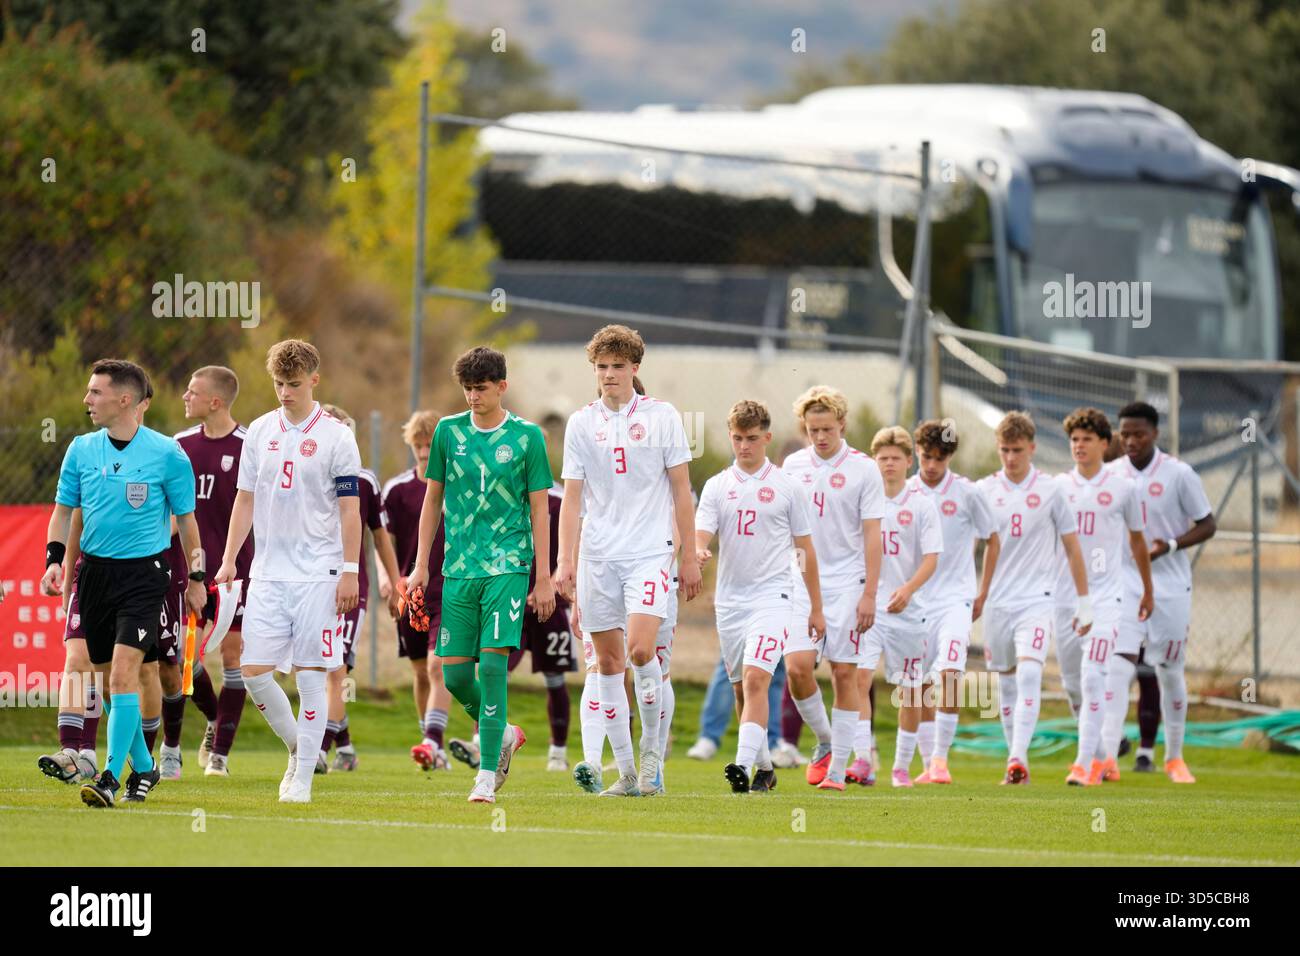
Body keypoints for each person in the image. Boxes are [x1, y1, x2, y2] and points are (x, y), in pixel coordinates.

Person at [42, 359, 205, 807]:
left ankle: (111, 775)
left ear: (125, 399)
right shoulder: (80, 449)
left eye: (95, 392)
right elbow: (63, 512)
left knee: (124, 673)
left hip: (145, 576)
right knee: (106, 681)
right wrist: (56, 562)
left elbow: (189, 522)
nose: (86, 400)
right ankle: (146, 767)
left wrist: (196, 576)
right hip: (94, 574)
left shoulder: (168, 453)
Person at [554, 325, 701, 798]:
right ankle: (627, 773)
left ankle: (653, 755)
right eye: (602, 367)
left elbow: (681, 490)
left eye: (618, 366)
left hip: (650, 554)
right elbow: (571, 500)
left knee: (642, 652)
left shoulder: (662, 417)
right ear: (593, 370)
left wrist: (691, 557)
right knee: (608, 664)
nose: (610, 374)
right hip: (599, 556)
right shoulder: (581, 423)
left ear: (635, 369)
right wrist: (564, 561)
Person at [214, 340, 363, 804]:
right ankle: (302, 749)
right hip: (268, 574)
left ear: (314, 380)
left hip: (320, 572)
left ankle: (300, 780)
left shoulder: (338, 436)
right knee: (253, 672)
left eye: (294, 384)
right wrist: (227, 558)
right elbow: (244, 498)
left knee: (311, 674)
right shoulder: (259, 431)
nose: (285, 392)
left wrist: (350, 571)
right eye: (279, 383)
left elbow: (349, 510)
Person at [406, 346, 556, 804]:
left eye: (482, 388)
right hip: (458, 569)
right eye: (467, 389)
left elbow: (540, 509)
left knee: (492, 667)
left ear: (502, 387)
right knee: (452, 677)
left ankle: (486, 776)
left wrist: (544, 576)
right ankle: (503, 730)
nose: (473, 397)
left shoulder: (528, 437)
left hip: (509, 565)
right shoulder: (449, 433)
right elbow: (433, 499)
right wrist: (420, 564)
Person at [695, 399, 823, 793]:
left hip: (774, 596)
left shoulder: (787, 487)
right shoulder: (718, 485)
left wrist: (816, 608)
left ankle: (741, 764)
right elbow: (702, 532)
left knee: (755, 680)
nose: (744, 446)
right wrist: (698, 549)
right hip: (731, 601)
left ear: (767, 437)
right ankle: (765, 770)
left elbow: (805, 549)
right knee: (740, 688)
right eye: (737, 438)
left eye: (752, 439)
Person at [976, 411, 1090, 785]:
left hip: (1038, 601)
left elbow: (1073, 548)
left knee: (1029, 672)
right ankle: (1016, 771)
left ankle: (1017, 756)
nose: (1010, 458)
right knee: (1006, 682)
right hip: (997, 603)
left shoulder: (1051, 489)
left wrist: (1084, 600)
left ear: (1032, 448)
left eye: (1018, 450)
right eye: (1004, 450)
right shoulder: (984, 491)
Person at [1104, 401, 1216, 783]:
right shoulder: (1109, 475)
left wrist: (1168, 546)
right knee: (1116, 666)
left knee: (1168, 670)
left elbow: (1207, 524)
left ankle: (1174, 757)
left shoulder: (1179, 474)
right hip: (1123, 585)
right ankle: (1107, 754)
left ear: (1154, 434)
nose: (1131, 441)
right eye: (1125, 434)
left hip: (1170, 586)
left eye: (1139, 434)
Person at [780, 386, 884, 790]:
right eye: (812, 429)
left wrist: (870, 594)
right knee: (797, 668)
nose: (820, 436)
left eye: (827, 428)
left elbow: (873, 536)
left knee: (845, 674)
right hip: (802, 581)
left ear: (841, 424)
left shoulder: (864, 468)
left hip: (848, 583)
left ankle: (838, 771)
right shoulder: (791, 466)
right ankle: (824, 738)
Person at [157, 366, 255, 779]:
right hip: (184, 570)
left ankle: (220, 755)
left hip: (235, 570)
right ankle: (175, 746)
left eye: (192, 391)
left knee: (233, 659)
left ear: (215, 401)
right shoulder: (178, 446)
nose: (184, 396)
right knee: (178, 659)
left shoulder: (250, 446)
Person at [1054, 408, 1154, 786]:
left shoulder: (1124, 489)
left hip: (1108, 599)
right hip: (1063, 598)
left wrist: (1147, 588)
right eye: (1074, 440)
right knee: (1073, 685)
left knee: (1095, 675)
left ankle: (1083, 765)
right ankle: (1102, 756)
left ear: (1103, 443)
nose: (1079, 446)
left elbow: (1138, 540)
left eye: (1086, 440)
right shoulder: (1058, 487)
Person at [907, 419, 999, 785]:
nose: (932, 465)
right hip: (915, 600)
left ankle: (941, 761)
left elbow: (993, 538)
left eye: (940, 458)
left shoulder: (968, 493)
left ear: (950, 457)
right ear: (917, 452)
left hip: (956, 598)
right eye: (927, 456)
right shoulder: (905, 492)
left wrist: (982, 592)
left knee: (950, 672)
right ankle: (929, 764)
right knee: (918, 684)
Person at [316, 404, 402, 773]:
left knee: (337, 671)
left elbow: (380, 537)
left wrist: (396, 584)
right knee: (320, 669)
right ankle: (346, 747)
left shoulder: (363, 480)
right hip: (310, 581)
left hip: (349, 587)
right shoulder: (305, 472)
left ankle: (317, 750)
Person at [856, 426, 941, 788]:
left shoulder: (921, 504)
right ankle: (862, 760)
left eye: (895, 458)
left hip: (908, 610)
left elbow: (932, 558)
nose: (888, 464)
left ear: (909, 461)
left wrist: (908, 589)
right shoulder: (864, 501)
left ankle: (901, 767)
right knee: (858, 678)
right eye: (882, 458)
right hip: (869, 609)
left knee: (909, 690)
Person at [380, 411, 454, 771]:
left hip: (449, 589)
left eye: (430, 445)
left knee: (438, 664)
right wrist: (388, 581)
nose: (425, 452)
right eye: (419, 445)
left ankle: (431, 742)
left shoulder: (456, 486)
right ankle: (430, 744)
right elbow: (383, 544)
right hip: (410, 593)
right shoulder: (397, 490)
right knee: (420, 672)